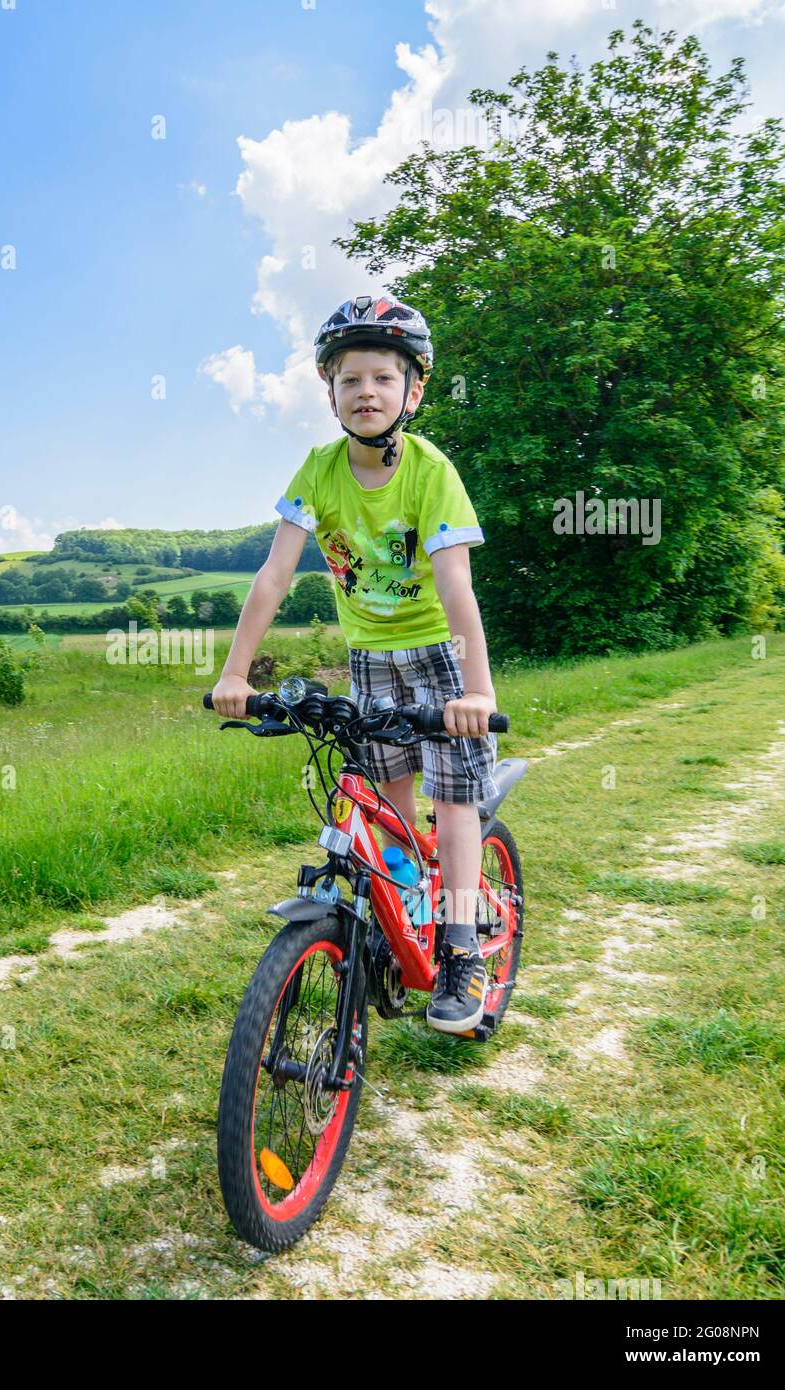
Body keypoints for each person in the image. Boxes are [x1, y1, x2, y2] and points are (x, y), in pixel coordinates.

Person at [211, 292, 500, 1034]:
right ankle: (395, 932)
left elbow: (455, 584)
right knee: (386, 803)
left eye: (381, 377)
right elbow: (274, 576)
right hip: (369, 655)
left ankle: (462, 950)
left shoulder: (431, 472)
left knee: (454, 797)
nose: (365, 392)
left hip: (440, 651)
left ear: (414, 389)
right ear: (330, 392)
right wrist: (236, 675)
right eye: (349, 380)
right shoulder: (319, 469)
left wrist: (477, 691)